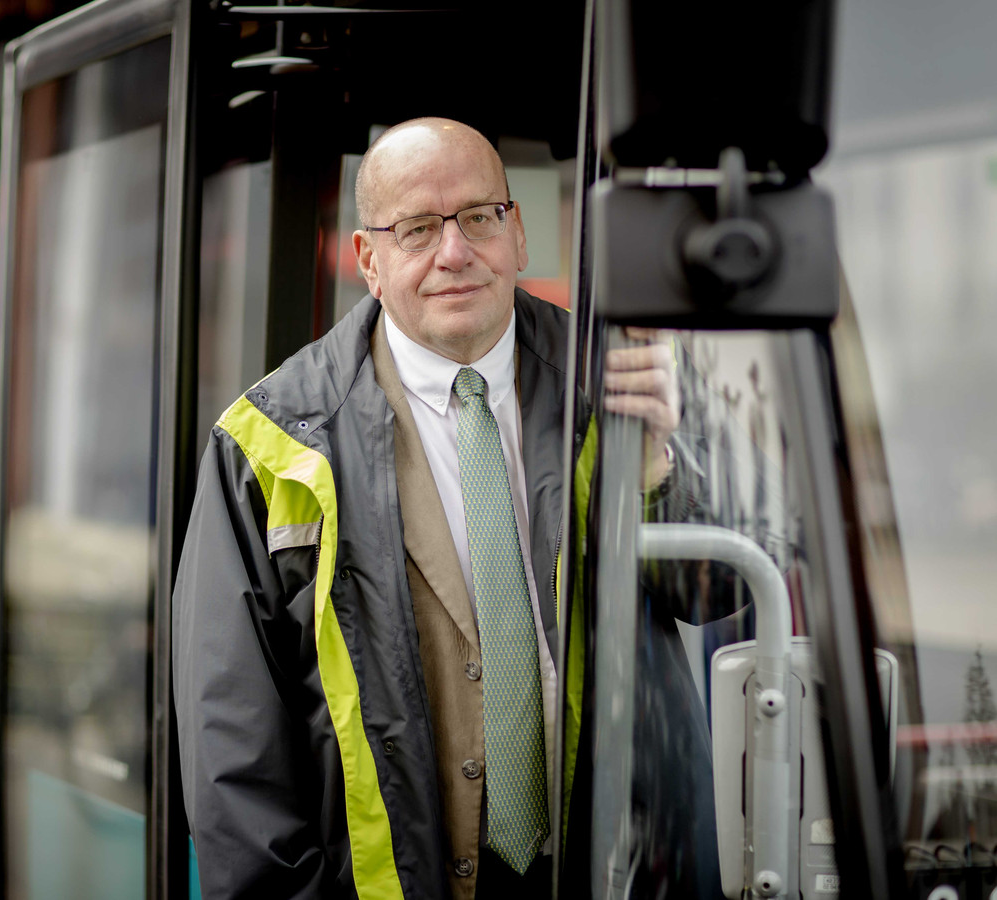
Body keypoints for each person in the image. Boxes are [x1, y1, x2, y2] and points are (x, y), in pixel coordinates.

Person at [173, 117, 680, 900]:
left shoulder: (617, 390)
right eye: (416, 229)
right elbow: (235, 762)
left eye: (479, 217)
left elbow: (722, 601)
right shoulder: (268, 444)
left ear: (518, 234)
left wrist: (660, 473)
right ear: (369, 261)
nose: (455, 252)